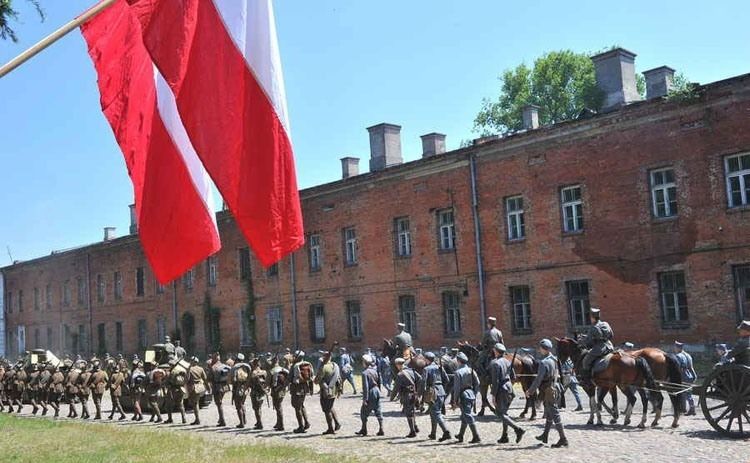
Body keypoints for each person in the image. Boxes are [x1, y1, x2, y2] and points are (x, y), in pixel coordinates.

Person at [525, 339, 567, 448]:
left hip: (549, 390)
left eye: (540, 348)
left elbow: (538, 379)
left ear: (543, 349)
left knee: (555, 414)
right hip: (556, 387)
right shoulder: (554, 359)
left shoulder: (544, 362)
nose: (539, 350)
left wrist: (530, 391)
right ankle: (545, 435)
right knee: (549, 413)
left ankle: (563, 439)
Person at [489, 343, 525, 444]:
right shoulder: (508, 362)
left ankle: (518, 429)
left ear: (496, 351)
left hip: (501, 390)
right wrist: (509, 385)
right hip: (509, 389)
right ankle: (504, 436)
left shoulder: (495, 363)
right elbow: (513, 377)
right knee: (504, 413)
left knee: (499, 413)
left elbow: (495, 381)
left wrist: (493, 395)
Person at [580, 307, 614, 384]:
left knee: (585, 361)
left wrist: (584, 341)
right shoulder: (605, 323)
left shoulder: (593, 327)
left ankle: (587, 380)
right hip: (609, 346)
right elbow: (612, 335)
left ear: (592, 317)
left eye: (590, 317)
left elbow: (589, 342)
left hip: (600, 348)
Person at [423, 351, 450, 441]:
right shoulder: (439, 367)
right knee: (432, 413)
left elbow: (423, 383)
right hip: (441, 391)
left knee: (436, 413)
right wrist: (442, 389)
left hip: (432, 392)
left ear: (427, 360)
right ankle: (433, 433)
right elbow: (446, 379)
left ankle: (446, 432)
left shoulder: (426, 369)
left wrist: (422, 394)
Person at [356, 353, 384, 437]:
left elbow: (366, 387)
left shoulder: (365, 373)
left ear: (364, 362)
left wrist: (365, 399)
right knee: (378, 410)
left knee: (363, 412)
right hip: (377, 391)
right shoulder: (374, 371)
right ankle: (381, 428)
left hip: (371, 392)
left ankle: (364, 429)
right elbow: (379, 382)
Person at [394, 357, 422, 438]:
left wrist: (392, 397)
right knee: (412, 411)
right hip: (414, 394)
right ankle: (415, 427)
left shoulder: (400, 374)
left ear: (398, 365)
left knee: (408, 413)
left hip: (406, 395)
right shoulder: (411, 371)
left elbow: (396, 388)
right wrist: (417, 390)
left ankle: (412, 431)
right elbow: (420, 379)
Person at [316, 350, 342, 435]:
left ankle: (330, 429)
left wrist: (316, 379)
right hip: (334, 391)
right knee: (330, 407)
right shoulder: (335, 365)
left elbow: (317, 380)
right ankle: (337, 423)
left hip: (326, 392)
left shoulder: (323, 367)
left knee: (327, 411)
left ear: (324, 357)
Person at [289, 350, 314, 433]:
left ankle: (301, 426)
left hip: (296, 388)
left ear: (297, 357)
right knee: (301, 405)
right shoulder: (308, 364)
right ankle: (306, 423)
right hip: (305, 388)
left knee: (297, 408)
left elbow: (289, 378)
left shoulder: (295, 366)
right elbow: (311, 378)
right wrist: (311, 389)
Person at [208, 352, 231, 427]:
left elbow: (209, 378)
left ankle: (222, 420)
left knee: (219, 403)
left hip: (217, 388)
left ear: (214, 359)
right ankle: (221, 419)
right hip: (225, 387)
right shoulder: (225, 366)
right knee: (220, 402)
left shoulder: (213, 367)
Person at [673, 341, 696, 416]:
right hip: (690, 375)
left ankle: (689, 409)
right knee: (687, 393)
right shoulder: (688, 355)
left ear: (677, 348)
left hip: (683, 376)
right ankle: (686, 408)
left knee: (685, 393)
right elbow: (691, 366)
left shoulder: (678, 356)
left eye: (675, 347)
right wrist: (694, 376)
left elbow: (679, 367)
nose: (674, 349)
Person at [269, 356, 289, 431]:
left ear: (273, 361)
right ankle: (278, 423)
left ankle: (281, 425)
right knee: (278, 407)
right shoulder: (283, 369)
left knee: (278, 407)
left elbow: (268, 383)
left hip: (275, 391)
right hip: (282, 390)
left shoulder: (272, 370)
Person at [186, 356, 208, 425]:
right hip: (199, 387)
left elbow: (187, 379)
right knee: (196, 403)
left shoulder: (189, 369)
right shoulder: (201, 369)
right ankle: (197, 419)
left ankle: (197, 419)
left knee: (195, 404)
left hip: (192, 387)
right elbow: (205, 378)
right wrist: (208, 387)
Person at [249, 357, 269, 430]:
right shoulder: (264, 372)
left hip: (255, 392)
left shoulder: (253, 373)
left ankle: (259, 423)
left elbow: (249, 383)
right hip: (262, 392)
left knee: (256, 408)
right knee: (259, 407)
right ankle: (258, 421)